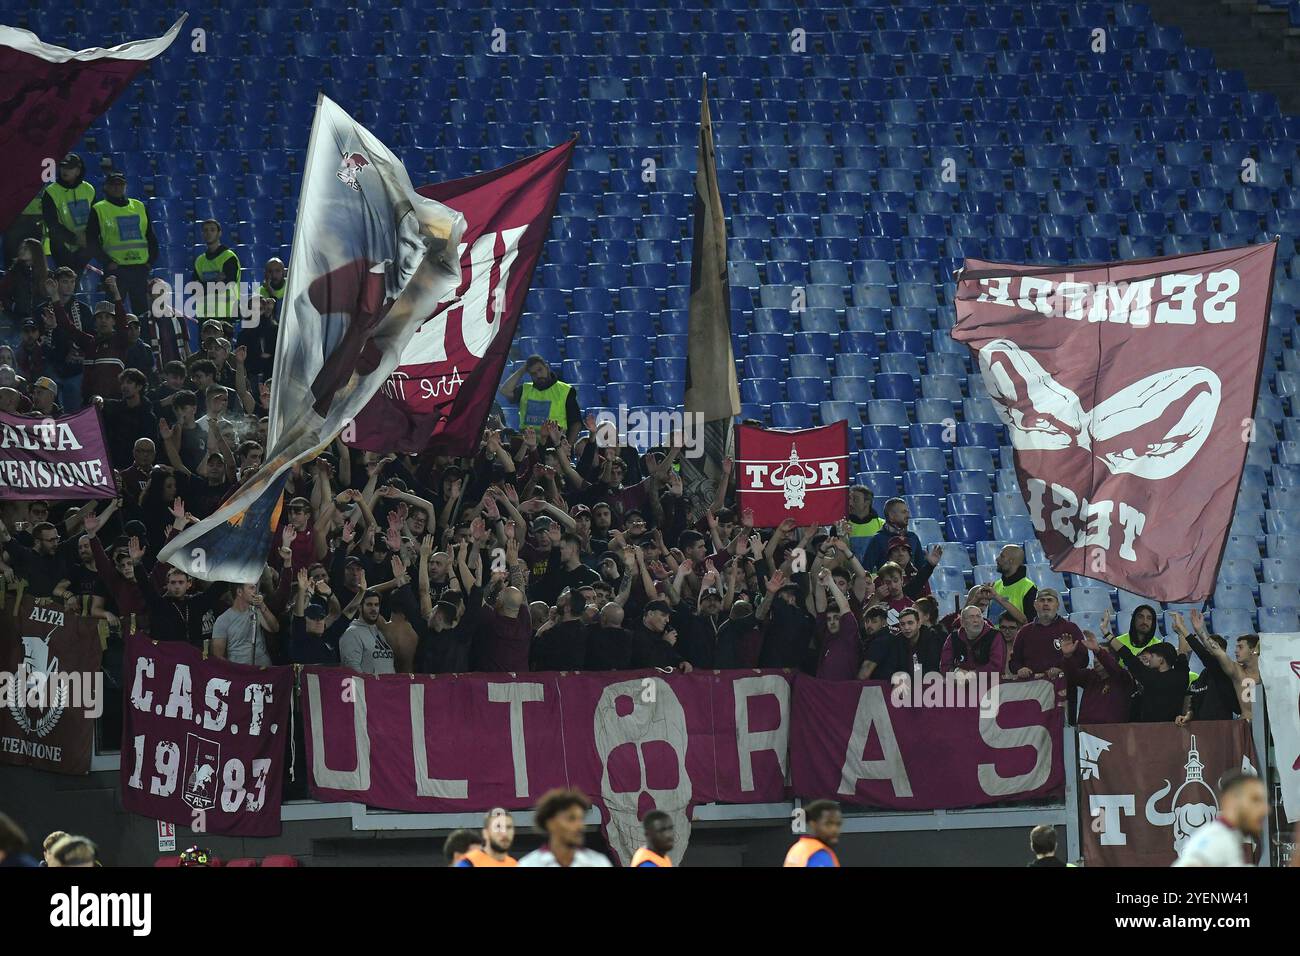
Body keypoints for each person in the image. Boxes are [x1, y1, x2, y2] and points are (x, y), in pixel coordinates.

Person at [86, 170, 158, 316]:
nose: (117, 187)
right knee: (112, 312)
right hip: (116, 269)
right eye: (113, 184)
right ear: (106, 187)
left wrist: (150, 261)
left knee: (142, 313)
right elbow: (91, 240)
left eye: (120, 184)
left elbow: (150, 236)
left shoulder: (139, 206)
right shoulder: (99, 209)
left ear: (125, 186)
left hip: (140, 268)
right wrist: (106, 262)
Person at [1173, 771, 1267, 867]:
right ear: (1231, 801)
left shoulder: (1227, 838)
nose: (1265, 809)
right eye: (1255, 800)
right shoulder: (1215, 838)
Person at [517, 789, 612, 867]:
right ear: (550, 823)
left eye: (581, 819)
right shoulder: (528, 864)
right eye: (571, 819)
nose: (580, 826)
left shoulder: (598, 863)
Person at [499, 354, 582, 442]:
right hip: (527, 444)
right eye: (533, 373)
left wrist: (568, 446)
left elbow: (576, 423)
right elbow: (505, 391)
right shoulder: (524, 389)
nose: (538, 375)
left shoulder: (566, 390)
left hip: (554, 444)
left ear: (547, 368)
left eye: (540, 370)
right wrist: (522, 370)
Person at [1010, 588, 1087, 680]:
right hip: (1032, 687)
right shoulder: (1024, 631)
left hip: (1063, 684)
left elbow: (1083, 660)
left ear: (1057, 605)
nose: (1046, 603)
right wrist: (1020, 669)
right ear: (1035, 605)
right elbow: (1014, 661)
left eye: (1050, 600)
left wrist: (1062, 669)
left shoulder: (1070, 628)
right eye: (1042, 600)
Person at [1109, 637, 1189, 723]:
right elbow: (1182, 654)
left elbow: (1127, 656)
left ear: (1161, 659)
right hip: (1174, 729)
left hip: (1150, 729)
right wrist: (1180, 629)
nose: (1149, 659)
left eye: (1153, 656)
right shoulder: (1182, 675)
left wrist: (1107, 634)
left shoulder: (1151, 678)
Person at [41, 152, 96, 274]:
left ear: (78, 170)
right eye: (63, 167)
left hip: (84, 247)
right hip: (62, 246)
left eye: (69, 168)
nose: (64, 170)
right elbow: (52, 223)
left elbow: (95, 219)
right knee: (67, 281)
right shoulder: (51, 191)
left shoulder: (89, 189)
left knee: (74, 281)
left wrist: (87, 238)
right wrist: (75, 239)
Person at [211, 582, 278, 667]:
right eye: (251, 588)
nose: (256, 591)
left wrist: (262, 605)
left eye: (255, 587)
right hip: (240, 669)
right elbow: (218, 656)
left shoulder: (256, 611)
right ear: (239, 592)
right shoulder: (223, 620)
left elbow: (275, 628)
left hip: (263, 667)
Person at [192, 219, 242, 320]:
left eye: (212, 230)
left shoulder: (229, 257)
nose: (208, 233)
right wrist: (216, 281)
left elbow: (227, 285)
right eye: (205, 230)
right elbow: (194, 289)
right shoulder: (199, 260)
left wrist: (204, 286)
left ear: (219, 233)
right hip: (205, 314)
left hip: (227, 314)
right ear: (202, 234)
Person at [340, 591, 397, 675]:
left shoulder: (379, 632)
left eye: (376, 605)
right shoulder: (352, 633)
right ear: (360, 607)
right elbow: (352, 669)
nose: (374, 609)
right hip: (369, 687)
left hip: (388, 686)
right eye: (369, 604)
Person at [941, 605, 1006, 675]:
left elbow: (996, 667)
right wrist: (955, 672)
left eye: (978, 616)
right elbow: (944, 665)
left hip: (989, 683)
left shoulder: (995, 636)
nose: (976, 620)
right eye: (971, 617)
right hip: (959, 683)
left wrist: (973, 674)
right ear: (962, 622)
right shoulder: (953, 638)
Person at [783, 799, 842, 867]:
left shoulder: (797, 848)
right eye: (828, 824)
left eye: (838, 824)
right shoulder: (819, 855)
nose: (834, 830)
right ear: (813, 824)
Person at [991, 545, 1035, 625]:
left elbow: (1030, 623)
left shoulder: (1029, 587)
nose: (997, 559)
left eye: (1002, 556)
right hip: (994, 636)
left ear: (1011, 561)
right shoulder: (996, 585)